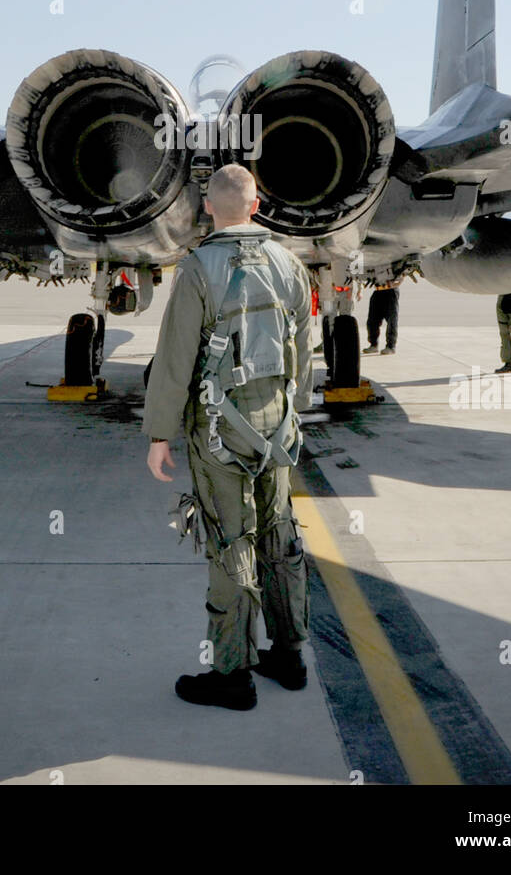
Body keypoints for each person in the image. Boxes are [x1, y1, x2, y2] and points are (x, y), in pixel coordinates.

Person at [143, 163, 313, 711]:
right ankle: (288, 657)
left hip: (220, 431)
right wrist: (295, 412)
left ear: (207, 208)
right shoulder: (291, 264)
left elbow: (174, 360)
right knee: (280, 539)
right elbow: (303, 355)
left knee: (229, 543)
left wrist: (159, 433)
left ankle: (231, 675)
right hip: (278, 427)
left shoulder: (197, 269)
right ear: (258, 204)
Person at [363, 278, 402, 355]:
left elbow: (402, 275)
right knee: (372, 320)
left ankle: (391, 346)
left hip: (391, 291)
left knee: (392, 320)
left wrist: (396, 283)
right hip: (378, 291)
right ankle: (373, 345)